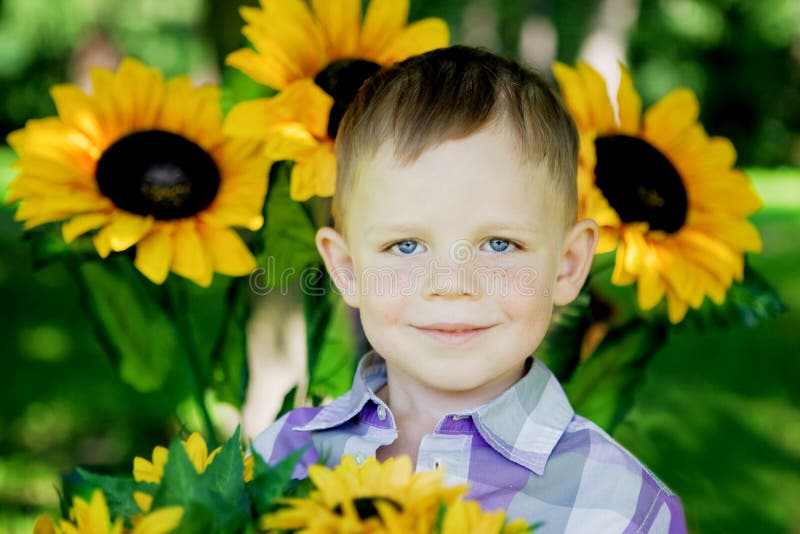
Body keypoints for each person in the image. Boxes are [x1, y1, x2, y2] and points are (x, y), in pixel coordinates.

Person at [251, 45, 687, 533]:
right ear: (347, 269)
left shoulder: (621, 507)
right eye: (407, 246)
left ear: (566, 266)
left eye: (499, 243)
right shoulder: (275, 463)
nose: (452, 284)